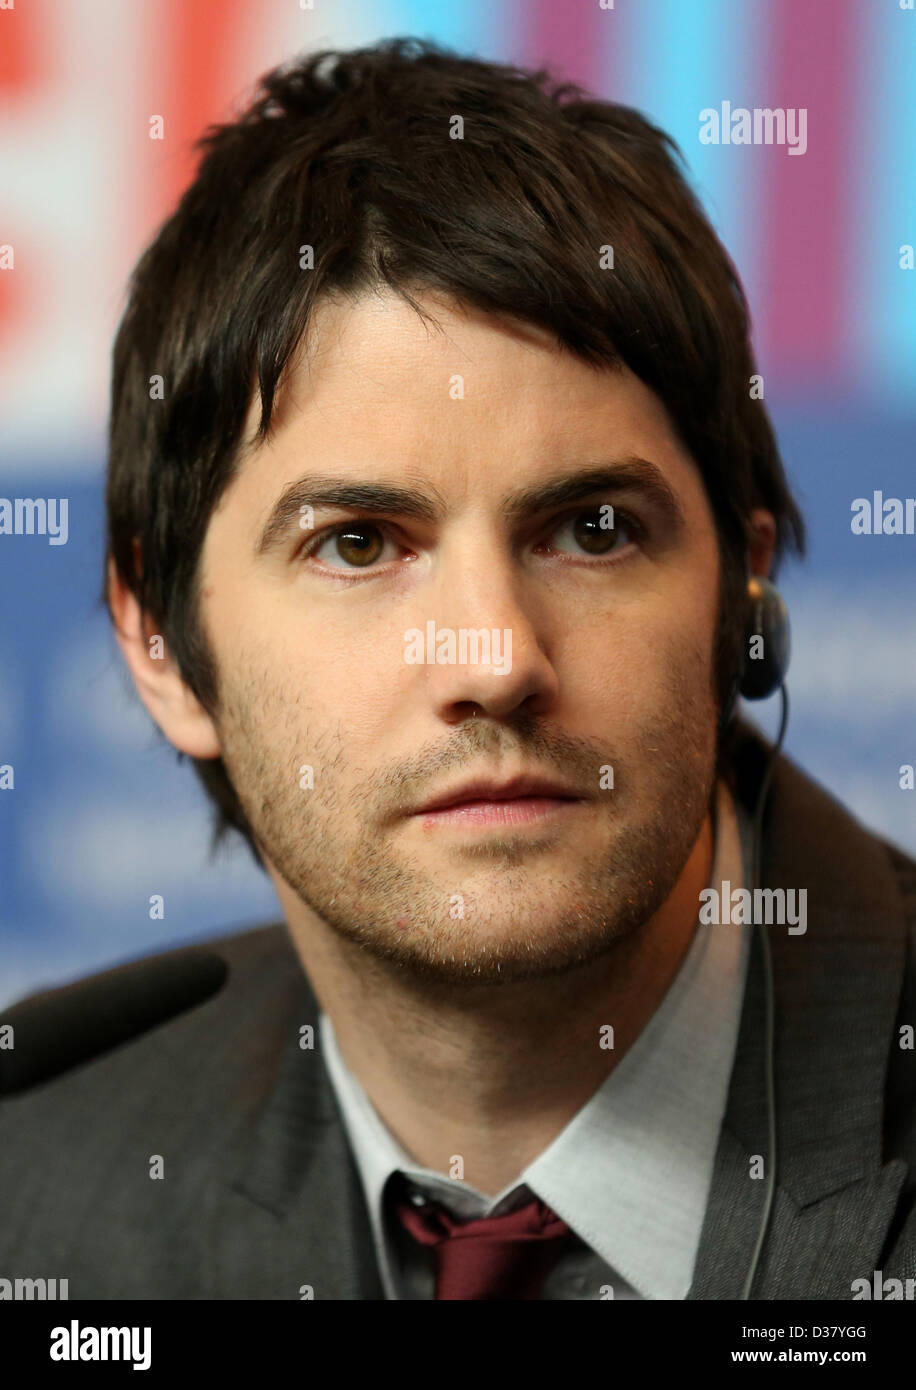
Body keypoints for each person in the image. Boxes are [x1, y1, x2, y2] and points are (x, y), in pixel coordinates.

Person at [1, 38, 913, 1302]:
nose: (493, 660)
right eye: (359, 544)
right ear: (159, 643)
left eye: (592, 529)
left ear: (739, 596)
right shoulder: (38, 1181)